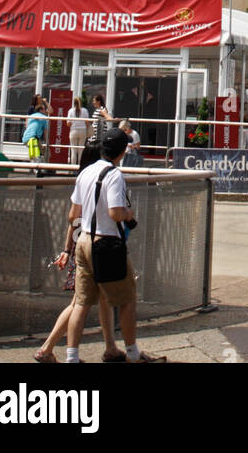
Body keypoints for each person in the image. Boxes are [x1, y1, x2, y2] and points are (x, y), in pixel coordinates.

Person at [65, 128, 166, 362]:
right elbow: (115, 212)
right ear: (121, 152)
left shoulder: (86, 172)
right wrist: (128, 213)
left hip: (84, 240)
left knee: (81, 302)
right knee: (127, 299)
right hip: (107, 243)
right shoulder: (114, 175)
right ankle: (133, 352)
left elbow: (73, 214)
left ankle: (71, 356)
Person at [35, 144, 125, 364]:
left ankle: (111, 347)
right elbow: (79, 216)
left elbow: (72, 219)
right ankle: (47, 349)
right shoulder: (101, 180)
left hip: (81, 245)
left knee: (100, 300)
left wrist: (67, 248)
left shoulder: (84, 178)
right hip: (95, 247)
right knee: (79, 303)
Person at [22, 96, 52, 164]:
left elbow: (27, 126)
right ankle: (39, 169)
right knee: (39, 154)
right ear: (41, 110)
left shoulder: (30, 116)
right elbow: (45, 132)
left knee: (35, 153)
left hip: (26, 137)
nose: (45, 111)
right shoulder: (44, 118)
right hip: (34, 138)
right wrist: (47, 142)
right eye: (44, 109)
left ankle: (36, 166)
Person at [67, 98, 90, 166]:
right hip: (82, 130)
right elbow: (87, 122)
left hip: (73, 130)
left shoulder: (71, 111)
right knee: (81, 150)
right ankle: (80, 166)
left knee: (73, 150)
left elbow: (68, 123)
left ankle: (72, 168)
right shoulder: (85, 110)